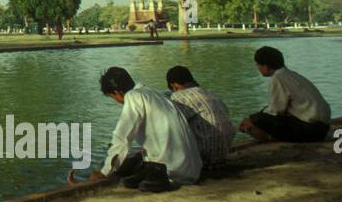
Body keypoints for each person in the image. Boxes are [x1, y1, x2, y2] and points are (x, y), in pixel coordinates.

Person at [70, 66, 201, 191]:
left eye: (113, 97)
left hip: (172, 172)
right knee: (132, 159)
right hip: (193, 171)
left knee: (122, 166)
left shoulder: (133, 96)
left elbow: (122, 138)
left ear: (117, 92)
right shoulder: (153, 93)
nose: (116, 101)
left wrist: (104, 172)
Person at [239, 46, 331, 142]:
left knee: (254, 120)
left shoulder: (278, 78)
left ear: (265, 66)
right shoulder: (291, 75)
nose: (258, 68)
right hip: (321, 127)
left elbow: (276, 110)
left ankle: (270, 139)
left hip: (312, 130)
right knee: (261, 115)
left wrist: (251, 119)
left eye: (258, 65)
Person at [166, 65, 235, 170]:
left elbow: (172, 126)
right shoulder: (210, 93)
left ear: (174, 85)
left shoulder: (178, 97)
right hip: (223, 153)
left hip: (205, 158)